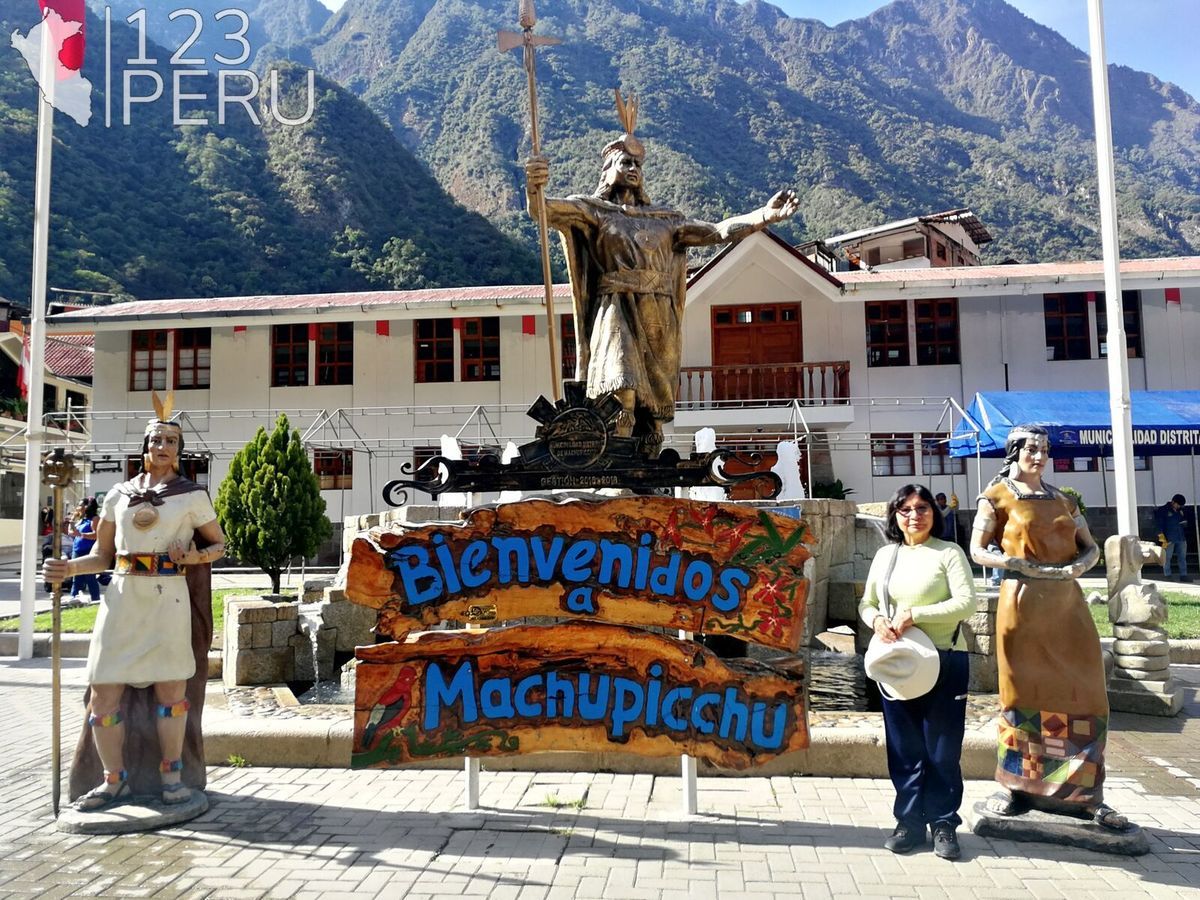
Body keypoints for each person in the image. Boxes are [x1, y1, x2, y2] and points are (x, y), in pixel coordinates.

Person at [525, 91, 798, 453]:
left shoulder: (666, 220)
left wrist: (763, 217)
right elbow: (544, 210)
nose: (634, 170)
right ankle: (615, 459)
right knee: (619, 382)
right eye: (626, 163)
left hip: (658, 314)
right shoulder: (594, 211)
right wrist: (533, 186)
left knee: (652, 403)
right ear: (609, 170)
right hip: (615, 307)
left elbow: (717, 231)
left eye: (638, 165)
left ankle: (647, 464)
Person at [44, 394, 225, 811]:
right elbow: (103, 556)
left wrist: (194, 557)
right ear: (144, 447)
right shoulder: (118, 496)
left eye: (171, 441)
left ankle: (172, 777)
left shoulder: (192, 496)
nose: (162, 447)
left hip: (168, 598)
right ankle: (113, 779)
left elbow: (218, 544)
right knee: (103, 692)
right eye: (156, 440)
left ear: (179, 451)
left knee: (171, 691)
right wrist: (67, 570)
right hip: (123, 597)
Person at [969, 424, 1128, 830]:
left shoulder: (1062, 499)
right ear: (1014, 452)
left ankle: (1086, 793)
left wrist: (1080, 565)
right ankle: (1016, 786)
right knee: (1023, 694)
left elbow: (1090, 547)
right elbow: (977, 550)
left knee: (1086, 693)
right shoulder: (996, 496)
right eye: (1031, 449)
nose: (1038, 457)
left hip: (1067, 605)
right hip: (1022, 604)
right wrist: (1013, 564)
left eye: (1044, 450)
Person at [859, 484, 975, 859]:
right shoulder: (886, 556)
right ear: (895, 515)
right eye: (905, 509)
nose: (914, 515)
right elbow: (868, 602)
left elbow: (966, 603)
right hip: (900, 662)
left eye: (922, 508)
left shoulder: (949, 553)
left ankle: (943, 822)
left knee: (942, 749)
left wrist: (915, 615)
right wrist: (876, 619)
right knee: (904, 747)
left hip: (945, 659)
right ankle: (909, 822)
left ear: (933, 513)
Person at [67, 498, 101, 604]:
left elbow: (96, 535)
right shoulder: (81, 519)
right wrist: (72, 519)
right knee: (76, 576)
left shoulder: (94, 519)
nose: (78, 507)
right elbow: (71, 532)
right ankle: (73, 598)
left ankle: (96, 600)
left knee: (90, 576)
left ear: (87, 506)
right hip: (77, 550)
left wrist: (82, 534)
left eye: (80, 505)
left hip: (88, 550)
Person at [1155, 493, 1190, 582]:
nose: (1178, 506)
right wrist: (1163, 539)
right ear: (1173, 502)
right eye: (1177, 504)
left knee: (1182, 557)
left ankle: (1183, 575)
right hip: (1168, 539)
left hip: (1180, 537)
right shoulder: (1163, 510)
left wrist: (1185, 523)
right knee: (1167, 558)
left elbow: (1185, 521)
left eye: (1180, 505)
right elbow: (1159, 526)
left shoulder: (1181, 510)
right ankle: (1167, 575)